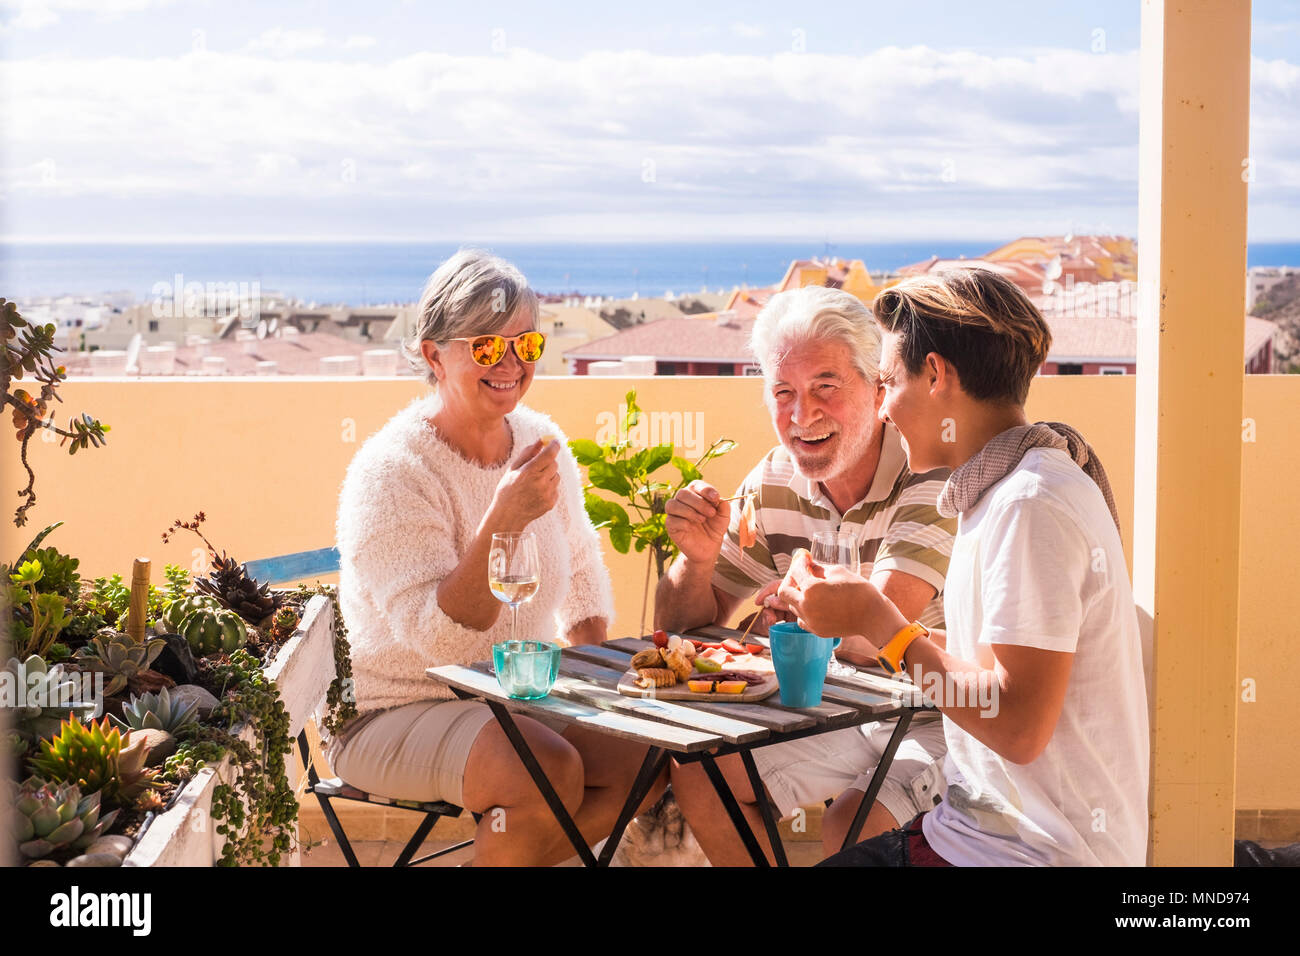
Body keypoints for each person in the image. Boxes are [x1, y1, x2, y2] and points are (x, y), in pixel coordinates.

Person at [778, 268, 1149, 866]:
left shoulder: (1030, 504)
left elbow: (1020, 725)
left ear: (936, 374)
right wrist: (899, 633)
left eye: (887, 383)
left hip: (1029, 854)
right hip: (975, 833)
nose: (882, 409)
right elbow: (999, 665)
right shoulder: (1003, 489)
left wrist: (881, 623)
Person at [330, 249, 662, 866]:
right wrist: (504, 517)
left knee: (645, 754)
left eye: (526, 345)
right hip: (398, 708)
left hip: (515, 697)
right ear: (434, 355)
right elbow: (443, 643)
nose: (511, 364)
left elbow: (585, 580)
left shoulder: (540, 444)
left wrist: (599, 690)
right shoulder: (393, 471)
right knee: (546, 770)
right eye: (487, 347)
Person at [655, 285, 958, 865]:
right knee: (701, 772)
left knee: (852, 825)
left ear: (879, 390)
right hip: (840, 712)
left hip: (939, 717)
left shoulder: (929, 474)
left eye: (826, 386)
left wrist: (793, 609)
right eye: (784, 392)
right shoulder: (772, 478)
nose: (802, 414)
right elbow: (678, 630)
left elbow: (875, 632)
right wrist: (694, 561)